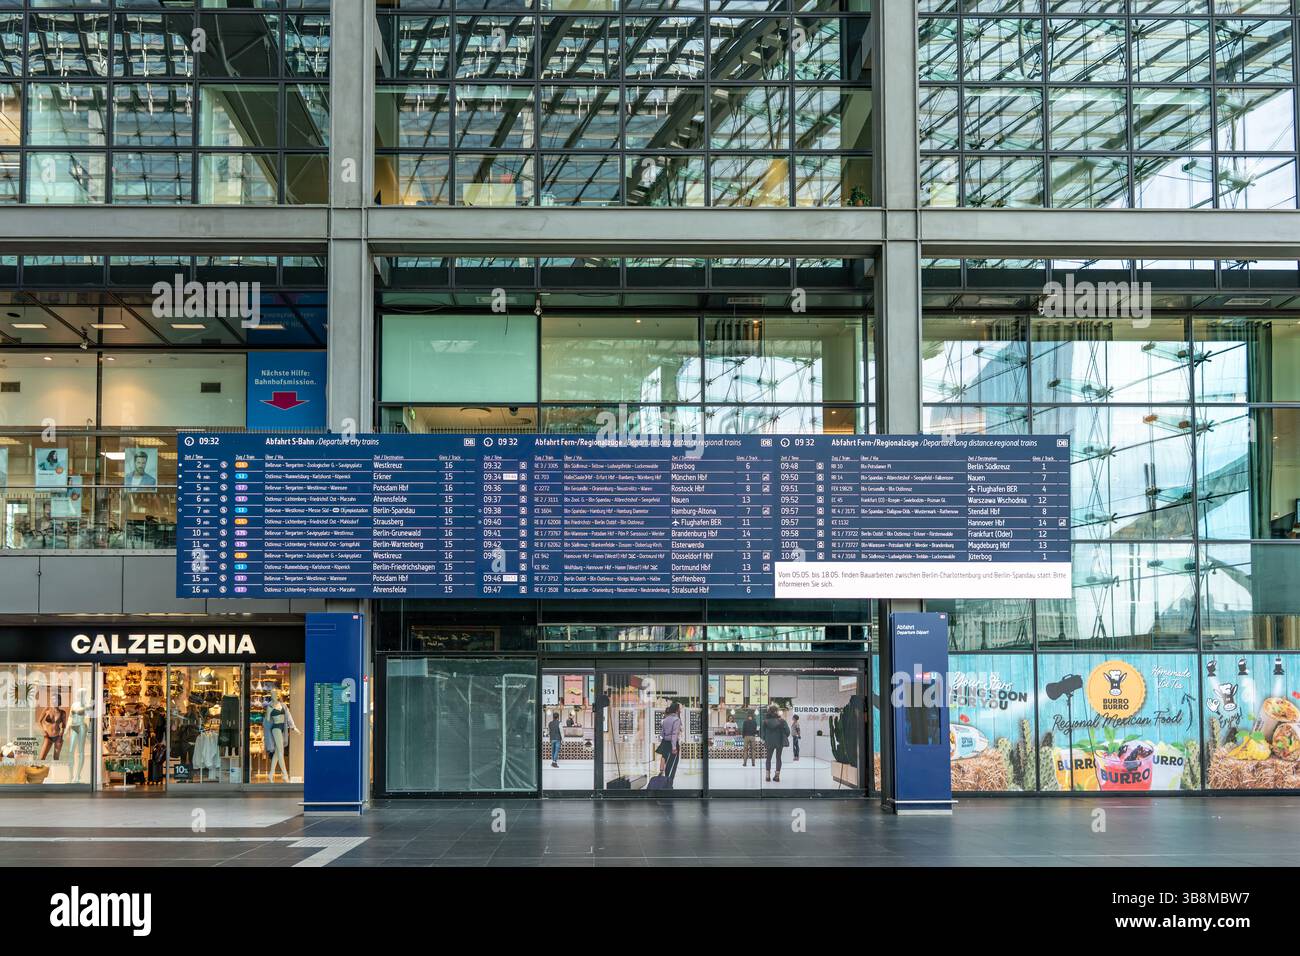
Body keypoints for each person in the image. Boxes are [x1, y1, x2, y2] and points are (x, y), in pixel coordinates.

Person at [761, 704, 790, 783]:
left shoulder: (765, 722)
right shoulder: (782, 721)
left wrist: (766, 739)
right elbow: (788, 732)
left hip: (769, 742)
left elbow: (762, 734)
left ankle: (767, 776)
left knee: (768, 758)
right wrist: (783, 736)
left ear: (769, 712)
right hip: (779, 741)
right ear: (777, 712)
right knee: (778, 758)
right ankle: (777, 776)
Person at [658, 701, 682, 783]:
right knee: (673, 764)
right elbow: (675, 734)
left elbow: (662, 733)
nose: (680, 710)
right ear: (676, 710)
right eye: (679, 709)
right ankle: (669, 782)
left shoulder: (665, 719)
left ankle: (666, 779)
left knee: (667, 762)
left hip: (665, 743)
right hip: (673, 744)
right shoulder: (676, 720)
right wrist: (674, 747)